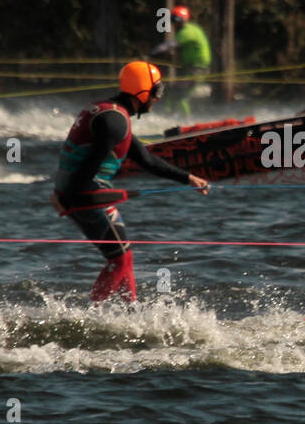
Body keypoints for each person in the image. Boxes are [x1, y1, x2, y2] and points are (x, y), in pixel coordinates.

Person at [51, 61, 210, 303]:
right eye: (156, 93)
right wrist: (67, 198)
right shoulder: (115, 122)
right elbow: (88, 166)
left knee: (123, 256)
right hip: (85, 194)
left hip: (76, 192)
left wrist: (188, 178)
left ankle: (130, 311)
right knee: (121, 258)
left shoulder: (111, 113)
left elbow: (146, 160)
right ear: (143, 92)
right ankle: (92, 316)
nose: (157, 99)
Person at [151, 4, 212, 118]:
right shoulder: (186, 31)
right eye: (173, 20)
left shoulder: (188, 31)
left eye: (177, 20)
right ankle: (170, 115)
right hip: (191, 67)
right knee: (174, 91)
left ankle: (186, 119)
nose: (175, 23)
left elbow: (171, 44)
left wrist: (152, 53)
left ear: (184, 19)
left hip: (197, 68)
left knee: (180, 94)